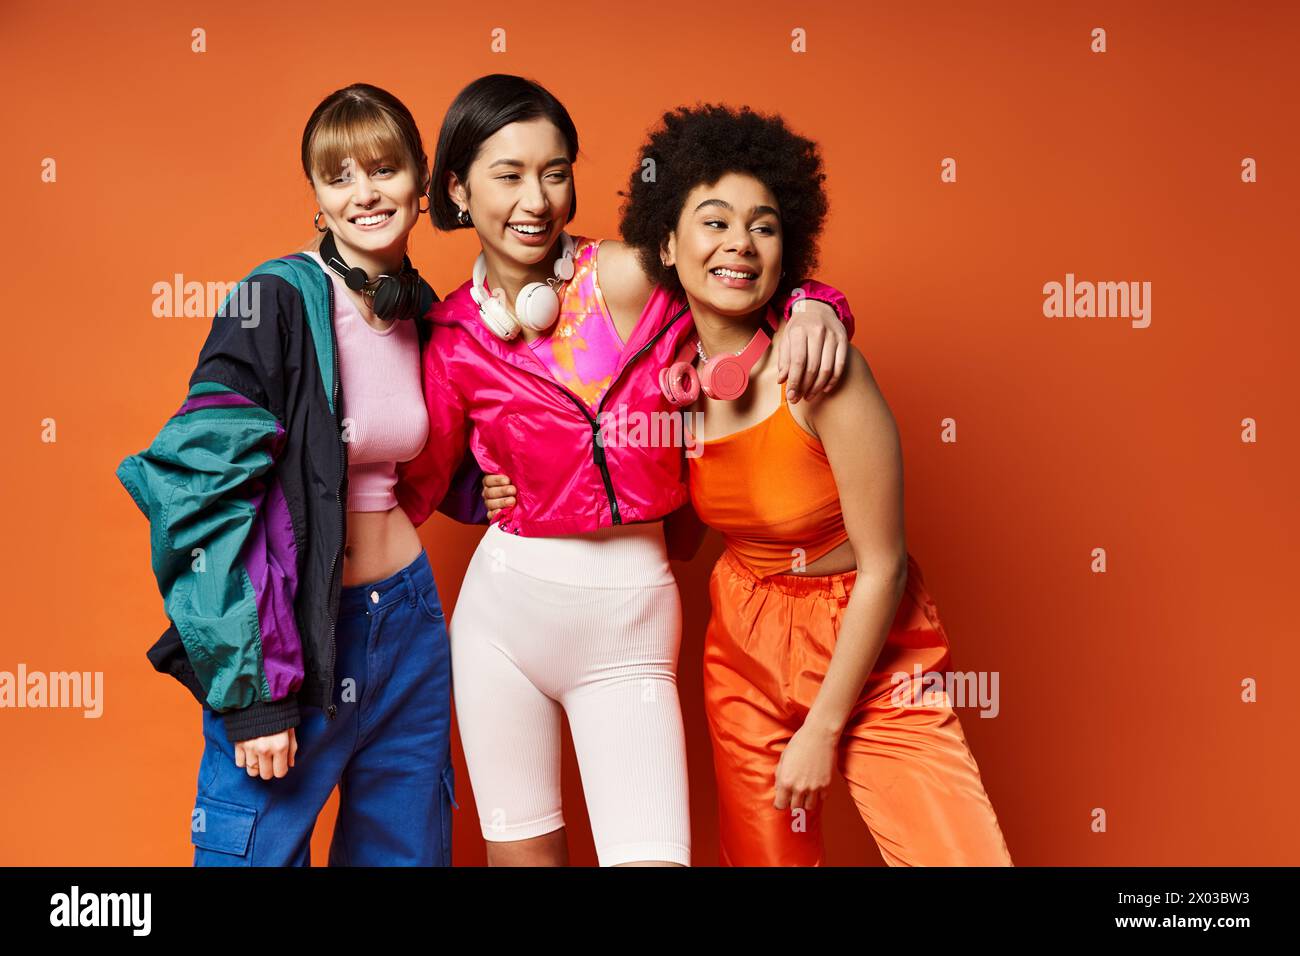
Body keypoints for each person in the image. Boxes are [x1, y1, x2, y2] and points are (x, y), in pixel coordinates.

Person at [486, 103, 1013, 866]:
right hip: (743, 646)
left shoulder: (821, 372)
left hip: (869, 644)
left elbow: (885, 566)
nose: (740, 243)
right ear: (667, 242)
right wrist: (513, 490)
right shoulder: (671, 388)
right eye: (715, 221)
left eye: (763, 226)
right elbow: (674, 533)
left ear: (786, 249)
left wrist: (824, 728)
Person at [396, 74, 857, 867]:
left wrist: (819, 303)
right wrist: (476, 491)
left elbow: (738, 274)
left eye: (555, 170)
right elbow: (419, 480)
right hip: (500, 621)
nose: (535, 198)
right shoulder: (448, 333)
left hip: (631, 618)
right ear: (459, 190)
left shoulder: (626, 274)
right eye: (508, 175)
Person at [116, 83, 471, 866]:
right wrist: (254, 693)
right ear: (316, 196)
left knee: (404, 855)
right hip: (298, 637)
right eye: (338, 176)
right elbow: (197, 495)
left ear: (421, 182)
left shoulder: (423, 311)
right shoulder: (271, 302)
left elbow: (453, 454)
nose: (364, 194)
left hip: (408, 623)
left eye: (383, 170)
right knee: (254, 854)